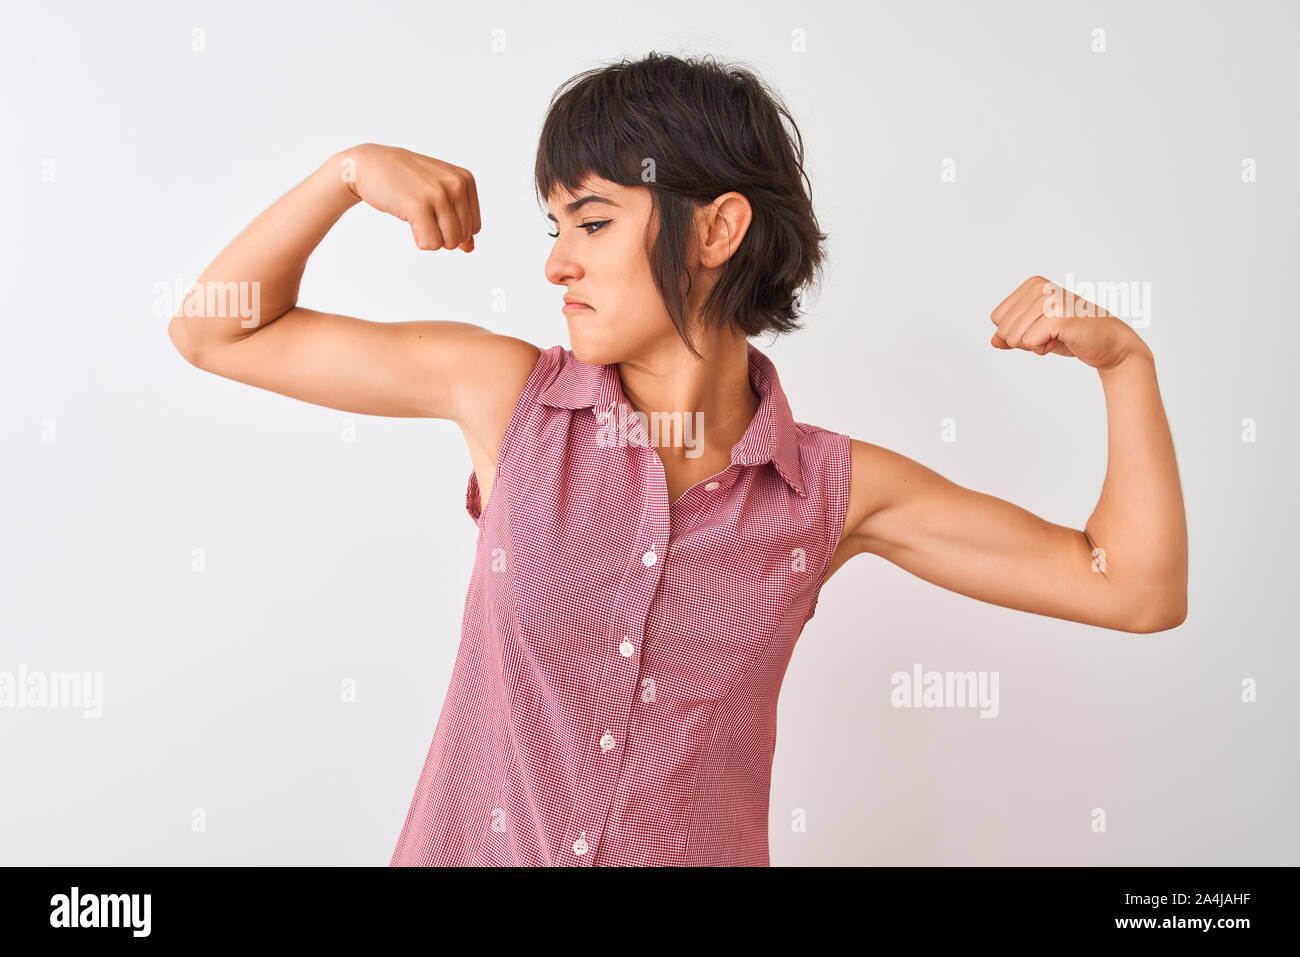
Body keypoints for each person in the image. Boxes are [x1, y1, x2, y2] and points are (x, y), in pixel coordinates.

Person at [167, 52, 1188, 866]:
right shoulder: (507, 402)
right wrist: (346, 174)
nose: (556, 262)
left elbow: (1133, 588)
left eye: (593, 221)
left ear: (718, 228)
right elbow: (219, 333)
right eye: (556, 226)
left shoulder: (830, 493)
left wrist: (1125, 366)